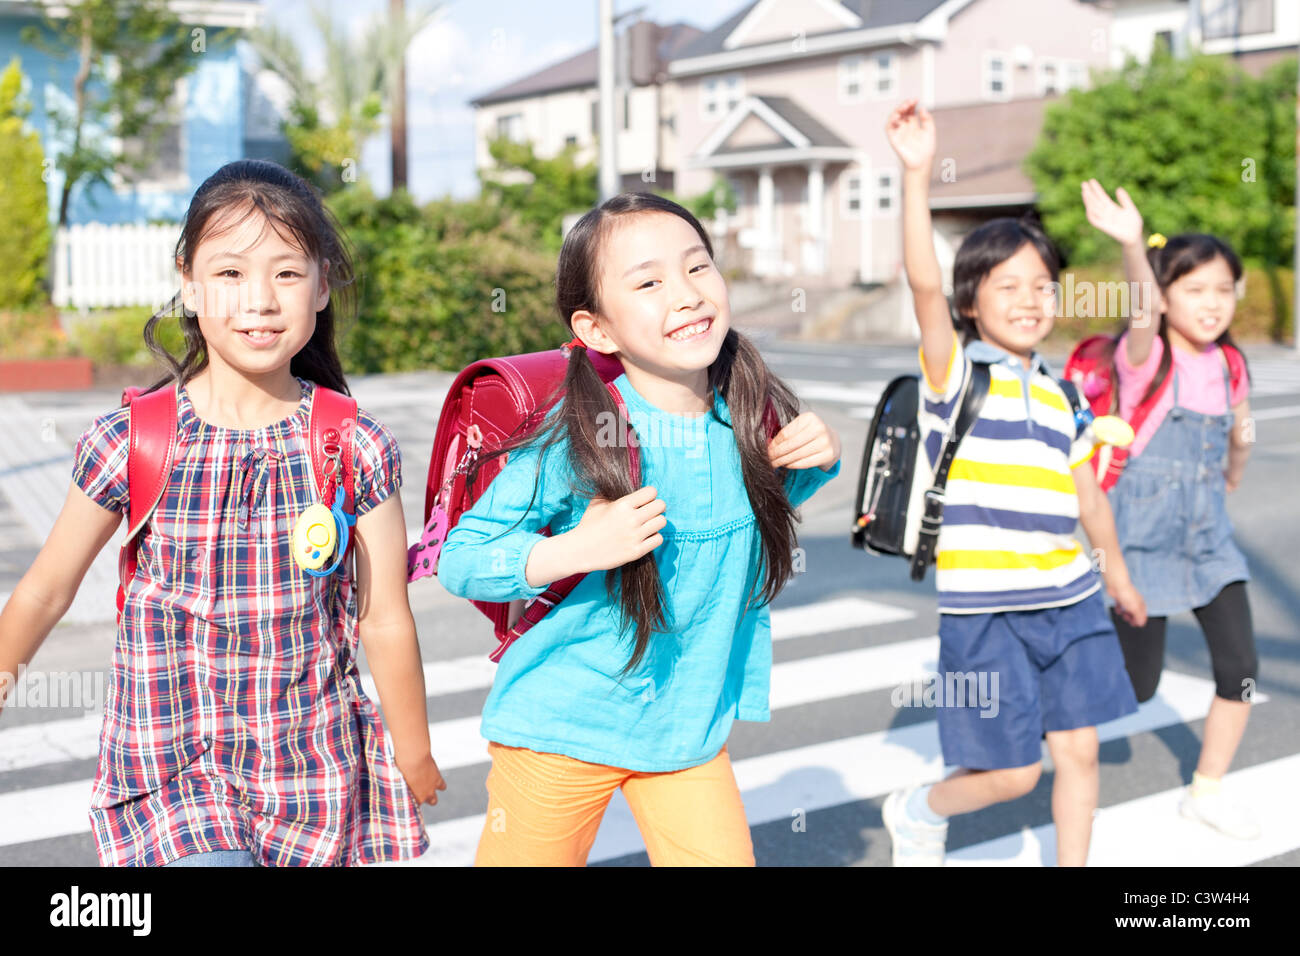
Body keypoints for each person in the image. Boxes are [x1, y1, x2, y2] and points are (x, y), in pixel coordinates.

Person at [0, 159, 444, 866]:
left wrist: (413, 748)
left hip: (310, 769)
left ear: (323, 284)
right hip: (174, 769)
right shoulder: (134, 440)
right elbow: (46, 589)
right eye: (231, 274)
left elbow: (383, 614)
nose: (260, 301)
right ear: (189, 281)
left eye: (287, 274)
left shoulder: (353, 446)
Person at [436, 192, 842, 866]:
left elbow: (741, 520)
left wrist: (811, 464)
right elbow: (462, 557)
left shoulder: (743, 417)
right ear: (598, 331)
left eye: (698, 268)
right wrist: (574, 549)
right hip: (560, 728)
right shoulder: (584, 436)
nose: (685, 295)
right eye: (649, 282)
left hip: (685, 733)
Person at [879, 101, 1145, 867]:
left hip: (1071, 599)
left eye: (1042, 286)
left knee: (1082, 755)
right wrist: (917, 173)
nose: (1031, 299)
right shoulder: (954, 374)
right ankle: (920, 807)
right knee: (1009, 772)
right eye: (1008, 285)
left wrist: (1117, 575)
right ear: (971, 302)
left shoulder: (1066, 394)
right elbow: (924, 284)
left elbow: (1088, 497)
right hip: (984, 610)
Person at [1081, 179, 1259, 840]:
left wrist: (1234, 473)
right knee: (1139, 686)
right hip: (1141, 543)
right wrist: (1133, 243)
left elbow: (1241, 429)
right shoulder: (1146, 356)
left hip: (1210, 539)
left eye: (1223, 289)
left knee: (1240, 671)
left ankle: (1206, 789)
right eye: (1194, 289)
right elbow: (1137, 310)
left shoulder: (1233, 363)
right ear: (1165, 295)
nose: (1212, 304)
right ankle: (1063, 738)